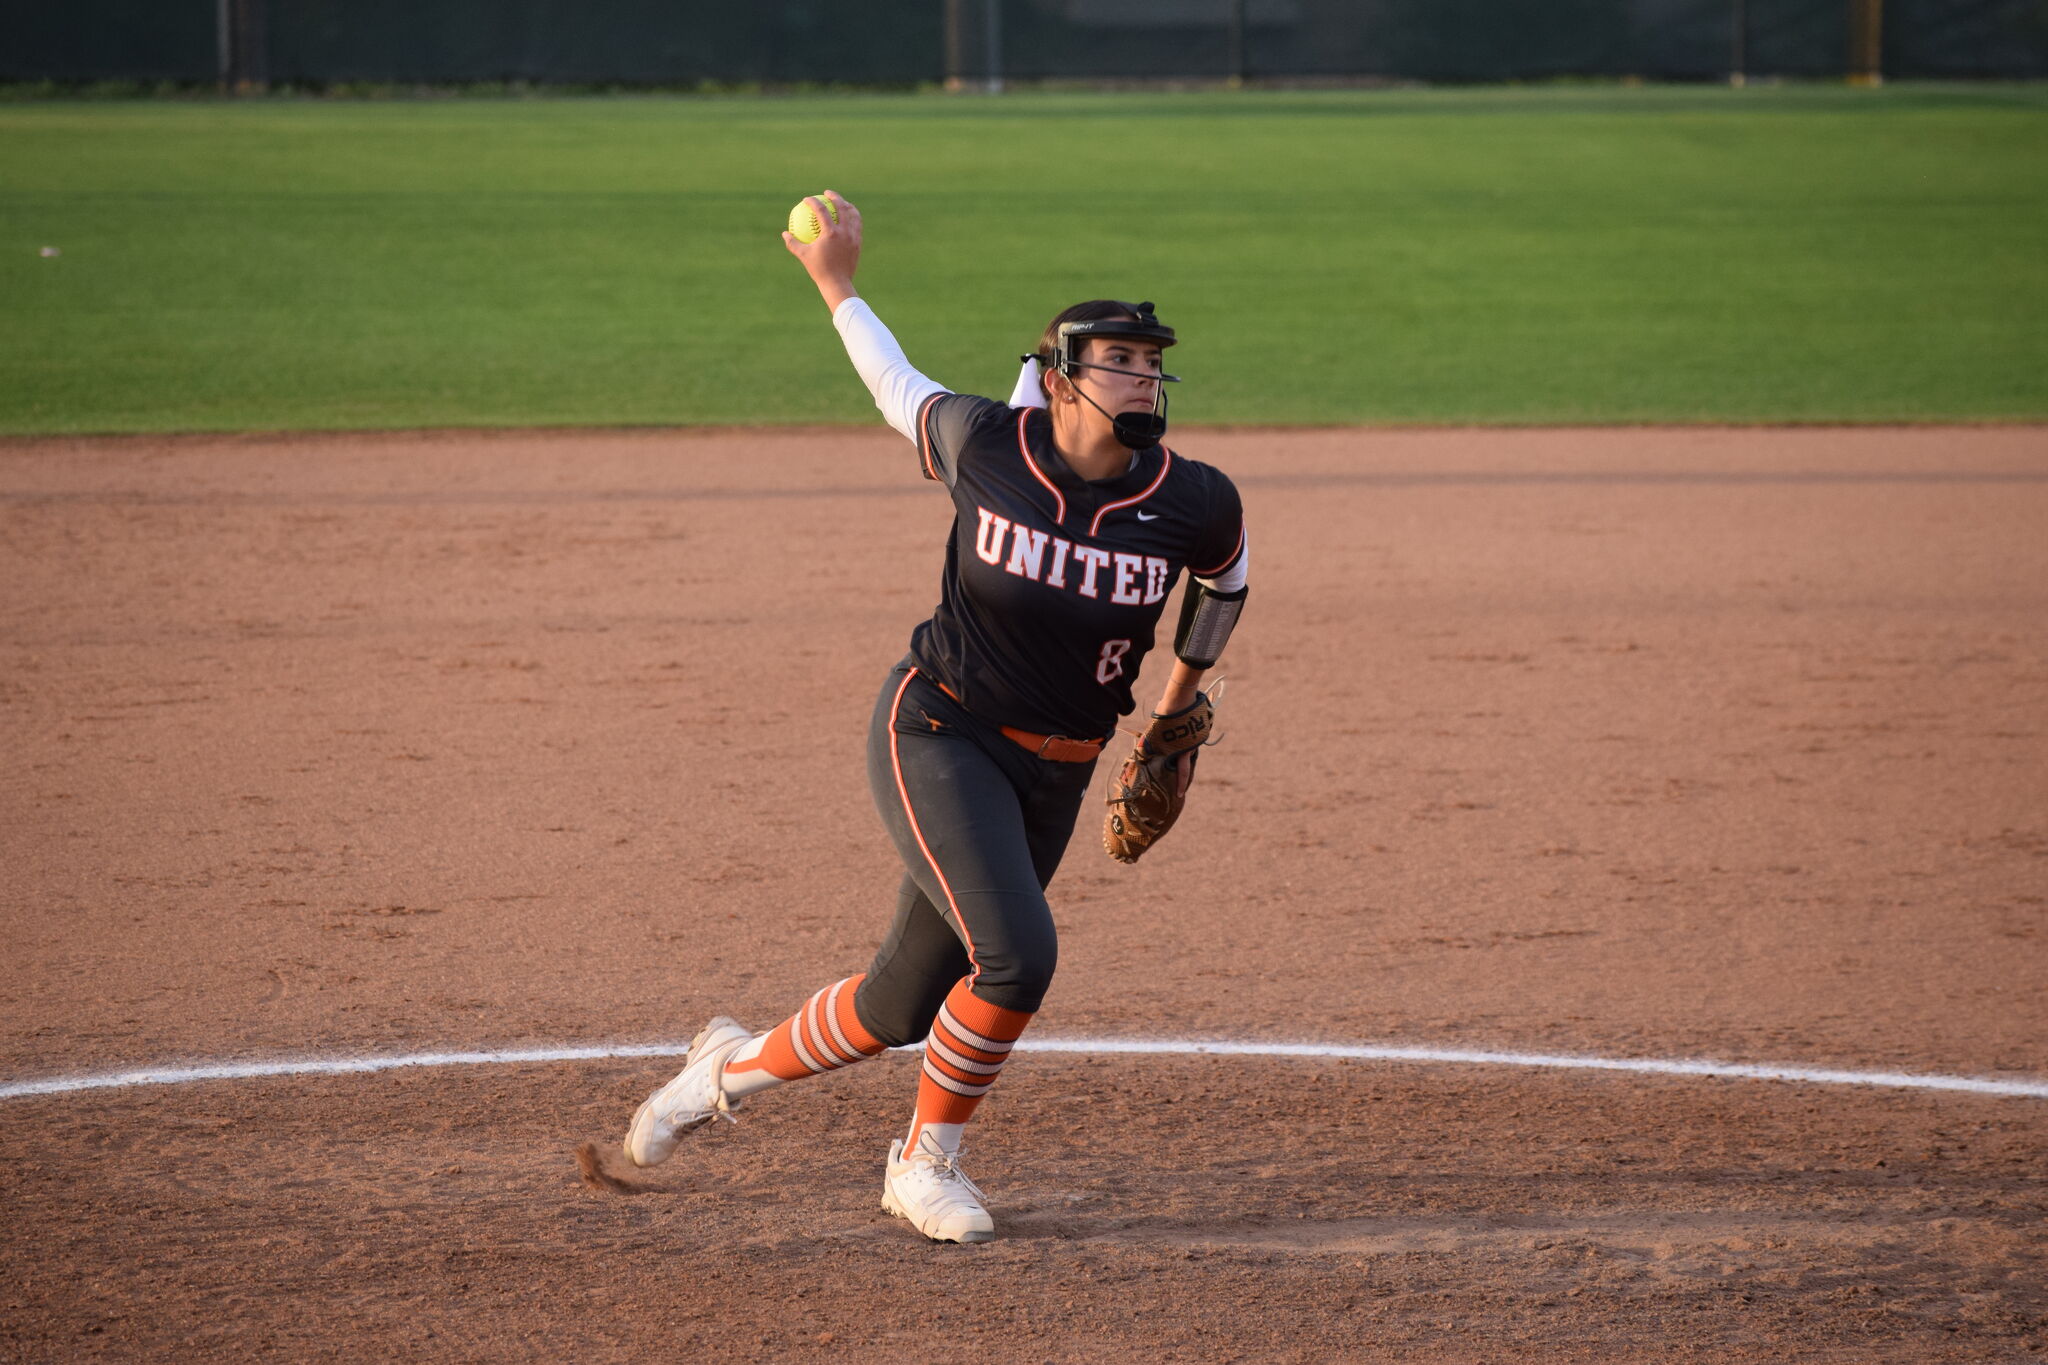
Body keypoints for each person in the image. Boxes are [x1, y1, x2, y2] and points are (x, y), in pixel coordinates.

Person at [620, 191, 1250, 1244]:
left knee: (898, 1004)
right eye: (1119, 361)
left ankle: (708, 1078)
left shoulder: (1193, 500)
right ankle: (922, 1163)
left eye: (1152, 362)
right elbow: (892, 383)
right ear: (1059, 379)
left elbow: (1222, 589)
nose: (1143, 377)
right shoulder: (985, 443)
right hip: (940, 733)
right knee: (1015, 957)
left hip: (1059, 772)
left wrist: (1169, 716)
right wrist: (834, 283)